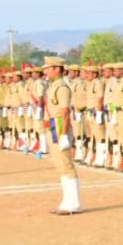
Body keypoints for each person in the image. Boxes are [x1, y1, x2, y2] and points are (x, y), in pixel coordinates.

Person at [42, 57, 83, 215]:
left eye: (48, 68)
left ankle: (74, 203)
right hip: (52, 125)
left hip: (59, 127)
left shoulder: (62, 87)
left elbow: (65, 112)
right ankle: (67, 201)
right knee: (61, 166)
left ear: (57, 69)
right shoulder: (53, 86)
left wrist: (64, 134)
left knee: (66, 165)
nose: (45, 71)